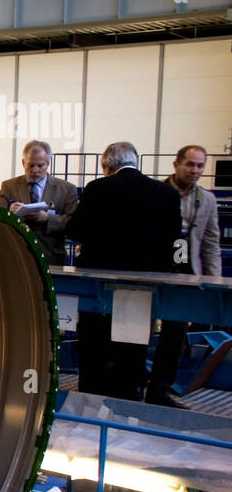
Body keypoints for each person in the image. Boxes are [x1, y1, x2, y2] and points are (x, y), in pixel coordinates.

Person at [65, 141, 182, 400]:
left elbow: (75, 231)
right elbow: (177, 241)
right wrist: (175, 270)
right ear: (136, 162)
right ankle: (127, 401)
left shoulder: (97, 189)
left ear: (106, 166)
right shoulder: (166, 194)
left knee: (94, 347)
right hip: (141, 285)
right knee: (131, 346)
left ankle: (90, 401)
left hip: (97, 285)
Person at [146, 145, 222, 407]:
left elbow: (211, 243)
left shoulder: (207, 199)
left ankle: (159, 390)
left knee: (176, 334)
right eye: (190, 164)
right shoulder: (155, 193)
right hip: (155, 269)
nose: (195, 170)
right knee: (140, 329)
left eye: (200, 166)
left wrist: (215, 281)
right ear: (176, 164)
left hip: (188, 272)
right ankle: (131, 385)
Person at [0, 140, 79, 264]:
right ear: (23, 163)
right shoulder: (9, 186)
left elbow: (74, 224)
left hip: (50, 257)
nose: (35, 170)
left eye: (40, 166)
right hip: (16, 255)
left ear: (48, 163)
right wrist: (9, 212)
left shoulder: (66, 189)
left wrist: (48, 219)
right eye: (31, 165)